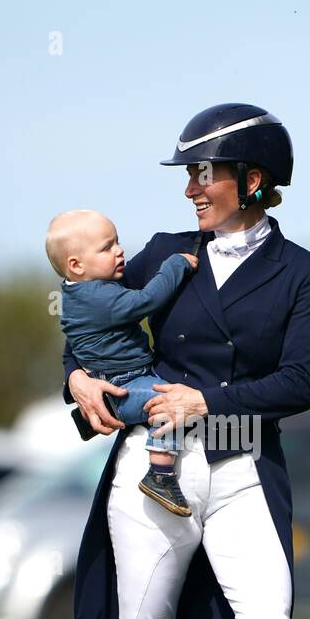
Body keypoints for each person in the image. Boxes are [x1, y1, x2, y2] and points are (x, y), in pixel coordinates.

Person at [63, 103, 310, 619]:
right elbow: (91, 325)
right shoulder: (161, 253)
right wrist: (77, 381)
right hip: (155, 474)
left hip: (241, 461)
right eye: (189, 174)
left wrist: (207, 397)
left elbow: (300, 382)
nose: (191, 188)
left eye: (204, 173)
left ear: (251, 181)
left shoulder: (304, 274)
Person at [46, 208, 200, 516]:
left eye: (116, 242)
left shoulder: (83, 289)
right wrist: (175, 264)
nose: (119, 251)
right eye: (106, 248)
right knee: (167, 403)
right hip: (121, 384)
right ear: (75, 265)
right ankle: (160, 473)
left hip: (127, 375)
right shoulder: (99, 298)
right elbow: (146, 301)